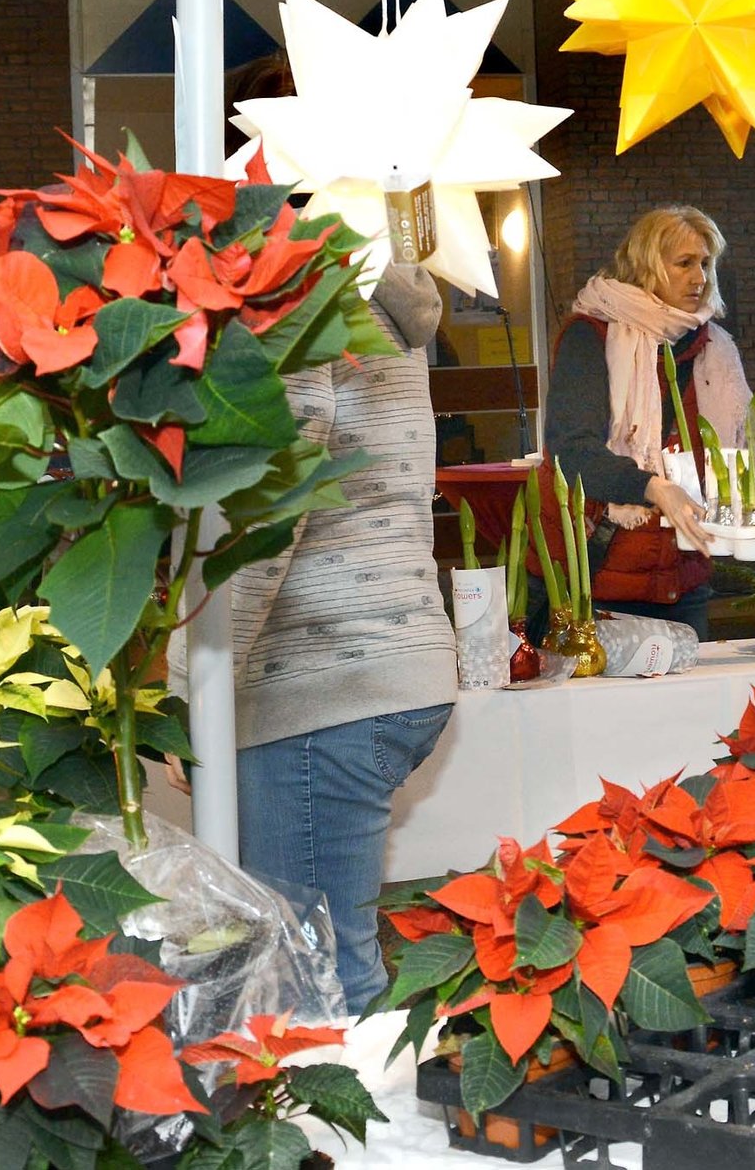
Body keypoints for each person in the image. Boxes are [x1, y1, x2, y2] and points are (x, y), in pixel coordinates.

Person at [170, 261, 455, 1014]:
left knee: (312, 981)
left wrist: (185, 692)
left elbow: (264, 517)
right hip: (388, 656)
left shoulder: (295, 305)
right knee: (327, 961)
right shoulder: (377, 309)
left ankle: (352, 1132)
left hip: (319, 674)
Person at [535, 205, 754, 640]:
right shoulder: (592, 335)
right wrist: (652, 487)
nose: (700, 278)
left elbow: (736, 448)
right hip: (597, 579)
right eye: (685, 263)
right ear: (648, 266)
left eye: (707, 264)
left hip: (682, 576)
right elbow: (571, 449)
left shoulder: (714, 348)